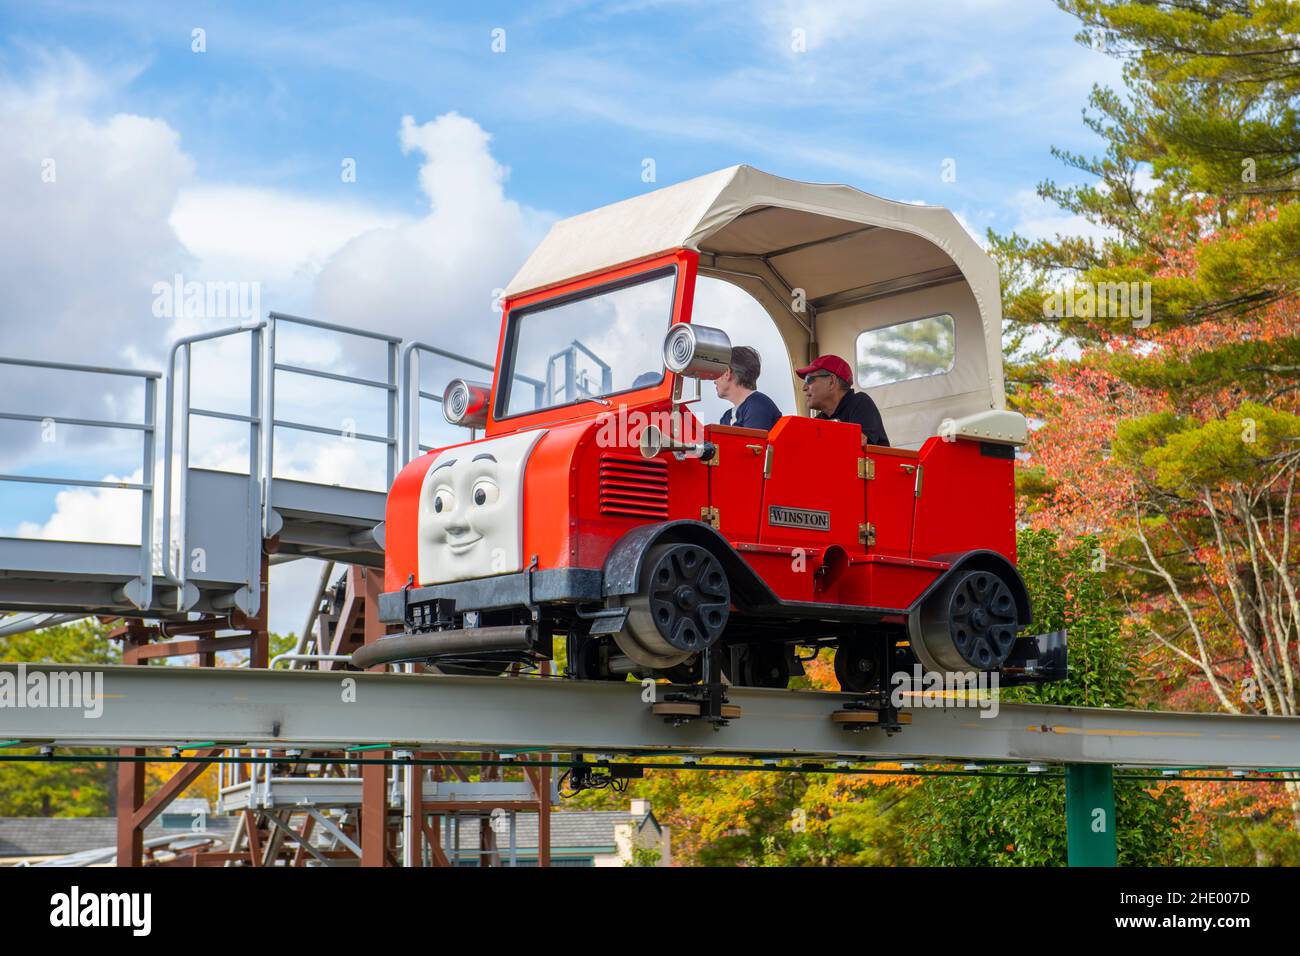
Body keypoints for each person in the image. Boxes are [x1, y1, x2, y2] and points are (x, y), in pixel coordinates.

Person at [797, 355, 890, 446]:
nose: (804, 388)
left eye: (809, 380)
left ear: (831, 381)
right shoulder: (817, 421)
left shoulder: (860, 402)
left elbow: (858, 442)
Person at [716, 345, 782, 430]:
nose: (714, 380)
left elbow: (754, 443)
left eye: (717, 372)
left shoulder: (757, 405)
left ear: (727, 373)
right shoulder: (726, 417)